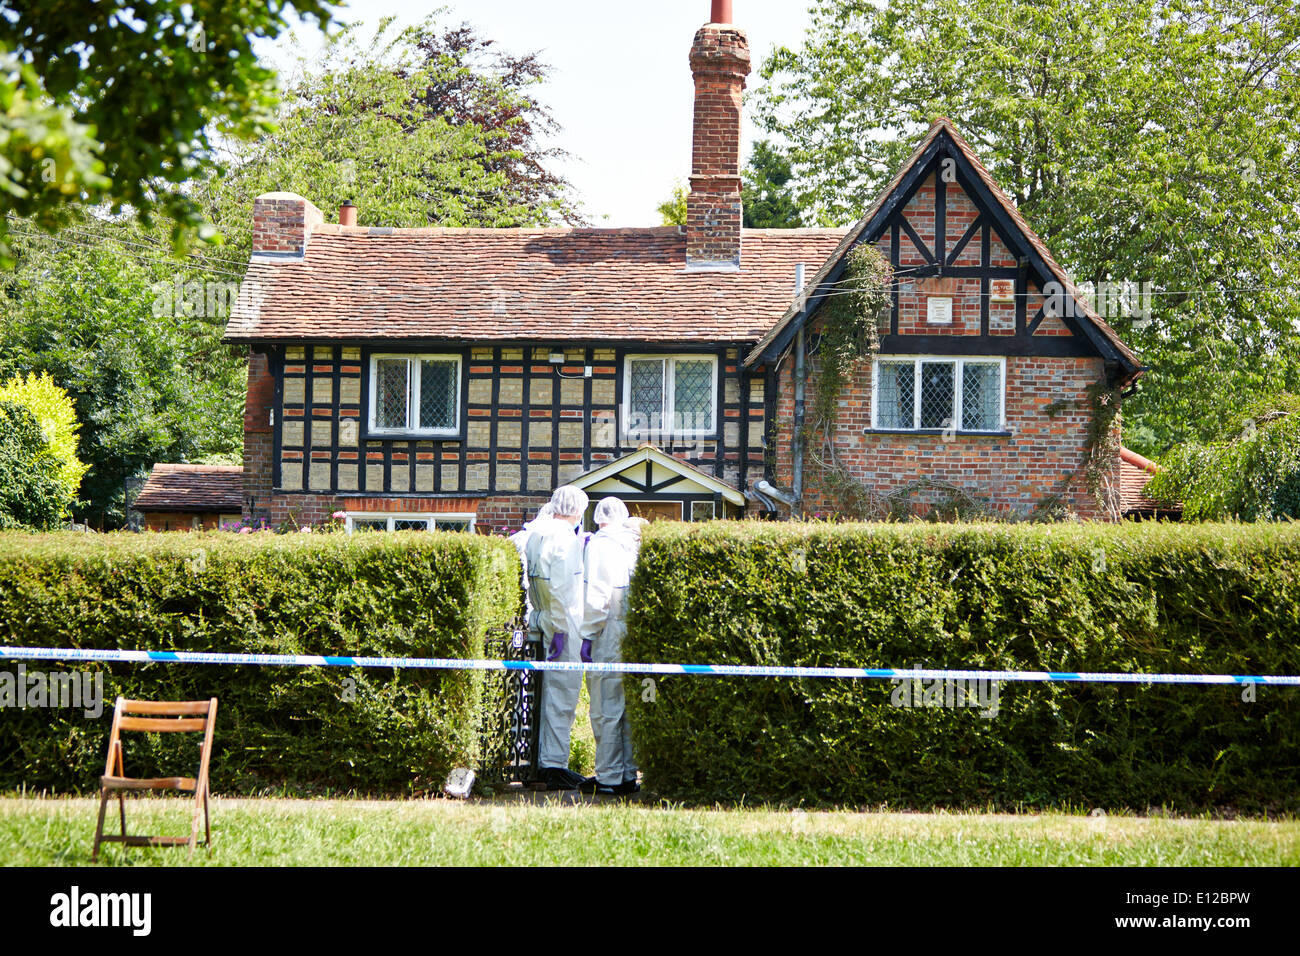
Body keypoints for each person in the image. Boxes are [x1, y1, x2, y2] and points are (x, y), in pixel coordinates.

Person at [579, 498, 647, 796]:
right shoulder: (632, 544)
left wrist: (587, 635)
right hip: (631, 631)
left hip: (607, 632)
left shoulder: (599, 545)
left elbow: (597, 596)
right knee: (627, 706)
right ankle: (628, 774)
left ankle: (608, 777)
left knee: (605, 707)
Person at [524, 485, 590, 791]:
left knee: (542, 693)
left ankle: (542, 761)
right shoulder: (566, 540)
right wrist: (563, 632)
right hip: (561, 623)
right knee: (562, 693)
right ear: (577, 510)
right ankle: (554, 764)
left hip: (540, 618)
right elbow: (563, 590)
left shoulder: (537, 534)